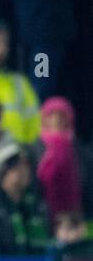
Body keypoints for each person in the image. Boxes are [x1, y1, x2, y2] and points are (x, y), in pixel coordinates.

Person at [35, 96, 84, 237]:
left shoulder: (79, 148)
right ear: (44, 119)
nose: (56, 120)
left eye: (62, 116)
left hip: (77, 216)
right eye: (51, 115)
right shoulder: (34, 147)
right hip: (45, 214)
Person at [0, 150, 49, 253]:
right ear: (3, 172)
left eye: (26, 167)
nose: (25, 171)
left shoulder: (36, 205)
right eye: (17, 168)